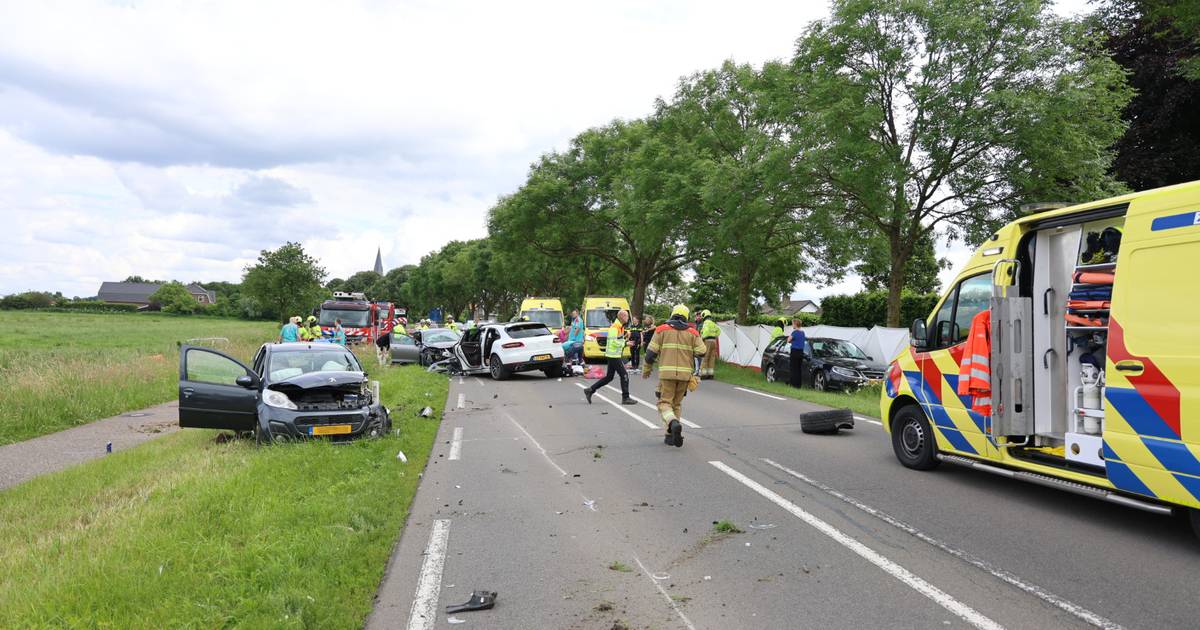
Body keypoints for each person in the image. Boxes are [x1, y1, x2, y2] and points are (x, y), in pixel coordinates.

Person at [643, 304, 707, 447]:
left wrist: (647, 369)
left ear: (672, 314)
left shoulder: (660, 330)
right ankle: (670, 436)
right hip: (684, 375)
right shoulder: (693, 332)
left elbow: (650, 355)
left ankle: (672, 423)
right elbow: (702, 351)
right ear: (686, 317)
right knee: (676, 404)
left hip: (667, 374)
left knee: (664, 403)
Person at [583, 309, 635, 405]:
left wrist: (625, 338)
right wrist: (626, 343)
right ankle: (625, 397)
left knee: (609, 377)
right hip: (613, 355)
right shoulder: (615, 327)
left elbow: (617, 340)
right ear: (622, 317)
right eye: (627, 316)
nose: (628, 318)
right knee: (624, 375)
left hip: (613, 355)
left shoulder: (620, 327)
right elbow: (613, 342)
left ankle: (590, 390)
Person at [698, 310, 721, 379]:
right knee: (712, 358)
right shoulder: (713, 323)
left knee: (705, 357)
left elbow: (706, 331)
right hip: (714, 341)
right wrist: (715, 336)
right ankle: (711, 374)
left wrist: (702, 339)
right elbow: (718, 331)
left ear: (704, 316)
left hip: (707, 341)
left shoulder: (705, 323)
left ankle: (704, 374)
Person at [789, 318, 806, 388]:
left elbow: (788, 340)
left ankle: (793, 384)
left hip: (794, 351)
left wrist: (791, 341)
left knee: (793, 368)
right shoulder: (803, 332)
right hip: (801, 352)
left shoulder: (794, 332)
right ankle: (798, 385)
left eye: (793, 324)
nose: (792, 325)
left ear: (795, 324)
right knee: (799, 368)